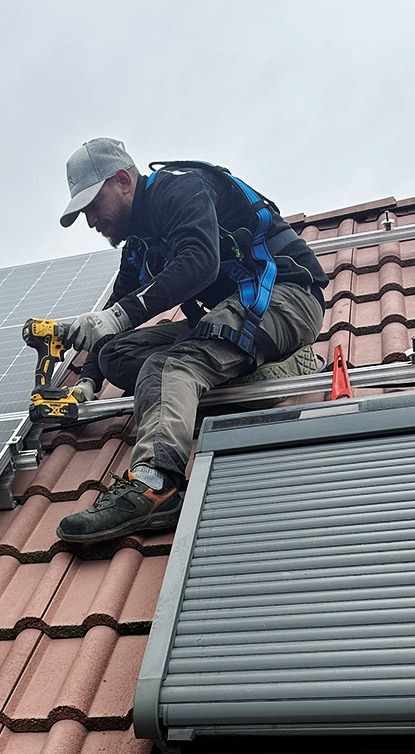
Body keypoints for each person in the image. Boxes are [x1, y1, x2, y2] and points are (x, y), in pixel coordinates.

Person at [55, 138, 328, 543]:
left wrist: (116, 316)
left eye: (93, 205)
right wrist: (87, 382)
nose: (91, 220)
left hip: (285, 298)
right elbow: (117, 310)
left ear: (123, 180)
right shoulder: (139, 244)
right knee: (116, 355)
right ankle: (237, 373)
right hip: (234, 315)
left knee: (167, 368)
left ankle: (155, 484)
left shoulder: (179, 190)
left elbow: (200, 261)